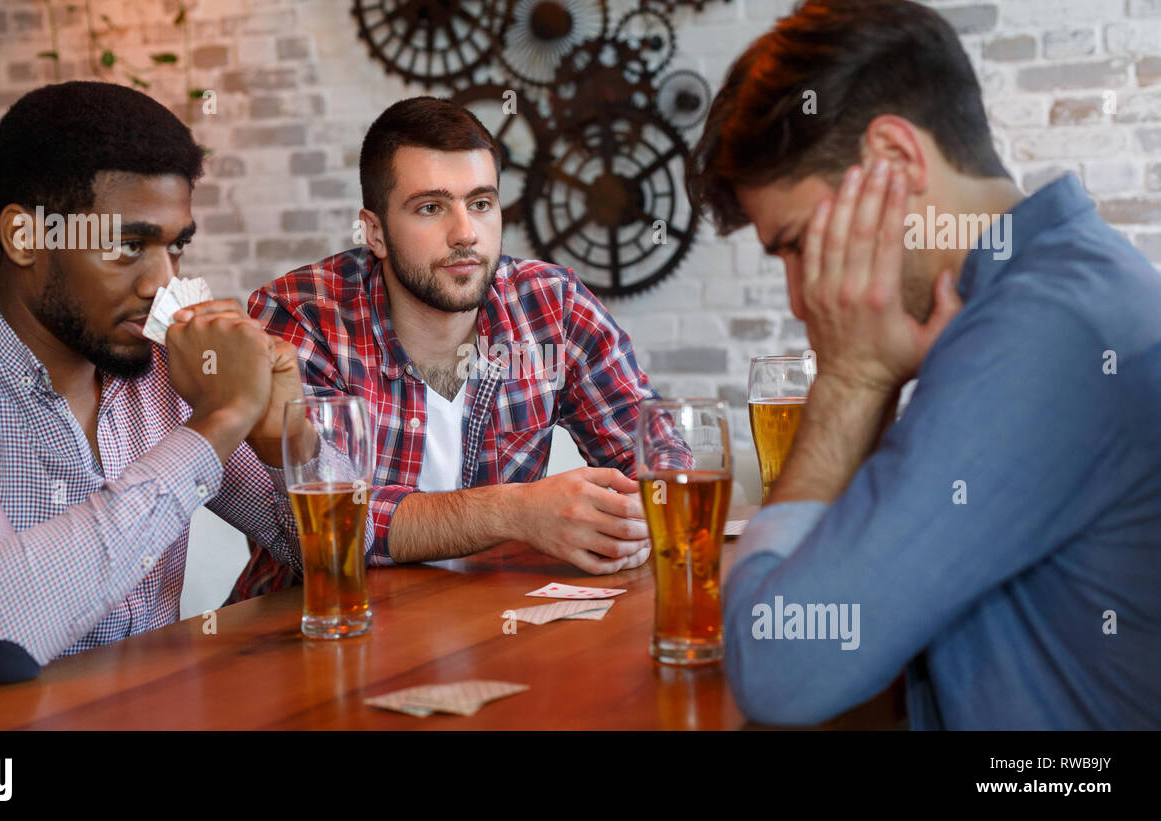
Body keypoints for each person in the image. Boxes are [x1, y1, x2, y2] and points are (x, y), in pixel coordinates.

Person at [687, 0, 1161, 729]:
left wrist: (850, 380)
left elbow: (781, 663)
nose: (801, 300)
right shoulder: (1064, 284)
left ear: (896, 158)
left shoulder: (1038, 335)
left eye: (798, 243)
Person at [0, 81, 306, 716]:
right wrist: (220, 420)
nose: (163, 283)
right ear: (24, 236)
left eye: (175, 246)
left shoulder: (163, 367)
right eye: (128, 246)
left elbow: (330, 554)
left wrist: (287, 438)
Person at [229, 96, 659, 602]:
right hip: (319, 626)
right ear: (375, 232)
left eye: (481, 204)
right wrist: (515, 512)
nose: (465, 234)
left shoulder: (551, 304)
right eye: (431, 208)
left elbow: (655, 452)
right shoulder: (302, 316)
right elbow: (321, 524)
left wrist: (634, 515)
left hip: (490, 619)